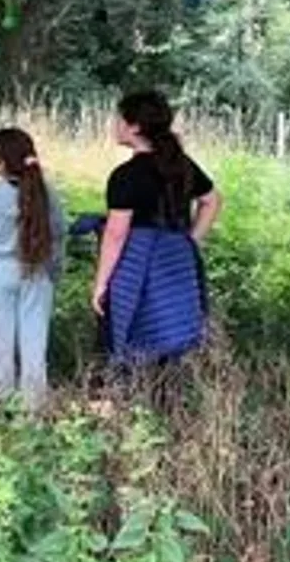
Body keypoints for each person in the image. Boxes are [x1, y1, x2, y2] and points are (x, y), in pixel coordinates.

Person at [90, 90, 223, 379]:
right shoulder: (181, 165)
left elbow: (115, 234)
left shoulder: (126, 175)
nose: (115, 125)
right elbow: (212, 200)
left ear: (135, 126)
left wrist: (101, 284)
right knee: (168, 331)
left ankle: (122, 402)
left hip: (136, 265)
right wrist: (190, 240)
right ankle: (165, 406)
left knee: (126, 330)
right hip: (177, 264)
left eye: (119, 119)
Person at [0, 128, 67, 411]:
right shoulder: (48, 194)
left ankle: (3, 406)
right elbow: (58, 236)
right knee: (34, 345)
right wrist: (54, 272)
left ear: (0, 163)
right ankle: (33, 411)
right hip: (37, 273)